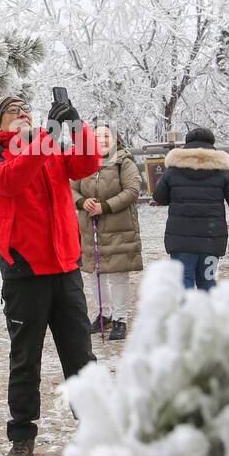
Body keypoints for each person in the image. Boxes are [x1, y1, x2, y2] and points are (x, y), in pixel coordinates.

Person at [0, 93, 101, 456]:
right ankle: (21, 436)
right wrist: (43, 136)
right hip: (24, 273)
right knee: (25, 358)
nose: (21, 114)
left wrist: (76, 125)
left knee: (80, 354)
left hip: (65, 268)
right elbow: (14, 181)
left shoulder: (47, 147)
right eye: (12, 112)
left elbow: (86, 164)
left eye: (24, 109)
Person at [152, 126, 229, 291]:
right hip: (211, 242)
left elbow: (159, 197)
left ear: (187, 145)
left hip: (181, 242)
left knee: (183, 283)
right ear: (212, 145)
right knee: (208, 282)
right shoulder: (222, 173)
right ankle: (206, 316)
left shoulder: (173, 170)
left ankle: (187, 316)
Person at [72, 123, 143, 341]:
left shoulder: (124, 162)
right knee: (95, 273)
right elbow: (70, 188)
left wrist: (105, 206)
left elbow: (132, 190)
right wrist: (83, 202)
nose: (102, 140)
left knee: (118, 275)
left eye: (106, 136)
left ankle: (120, 318)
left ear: (115, 139)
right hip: (89, 229)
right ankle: (104, 314)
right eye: (97, 136)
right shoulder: (84, 161)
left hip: (118, 228)